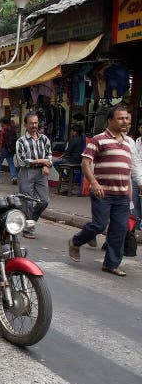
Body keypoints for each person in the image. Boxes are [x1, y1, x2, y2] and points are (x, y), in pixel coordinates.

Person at [68, 105, 142, 275]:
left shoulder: (129, 142)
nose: (125, 122)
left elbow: (132, 167)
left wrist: (135, 188)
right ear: (110, 120)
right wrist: (93, 182)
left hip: (122, 195)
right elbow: (85, 163)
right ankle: (76, 241)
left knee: (119, 230)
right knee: (99, 225)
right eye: (121, 118)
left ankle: (111, 264)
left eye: (127, 119)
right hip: (102, 192)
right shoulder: (98, 139)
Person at [15, 112, 52, 239]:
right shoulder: (21, 141)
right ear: (25, 125)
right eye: (31, 123)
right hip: (26, 172)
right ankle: (29, 229)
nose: (34, 125)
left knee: (44, 201)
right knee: (27, 202)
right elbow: (22, 160)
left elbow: (49, 155)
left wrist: (47, 165)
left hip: (41, 173)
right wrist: (41, 161)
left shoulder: (44, 139)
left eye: (36, 123)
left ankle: (29, 221)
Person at [0, 117, 18, 184]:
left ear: (4, 123)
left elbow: (0, 142)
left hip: (3, 149)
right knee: (11, 163)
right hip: (10, 150)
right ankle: (14, 177)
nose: (1, 125)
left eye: (1, 123)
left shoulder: (2, 131)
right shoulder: (13, 129)